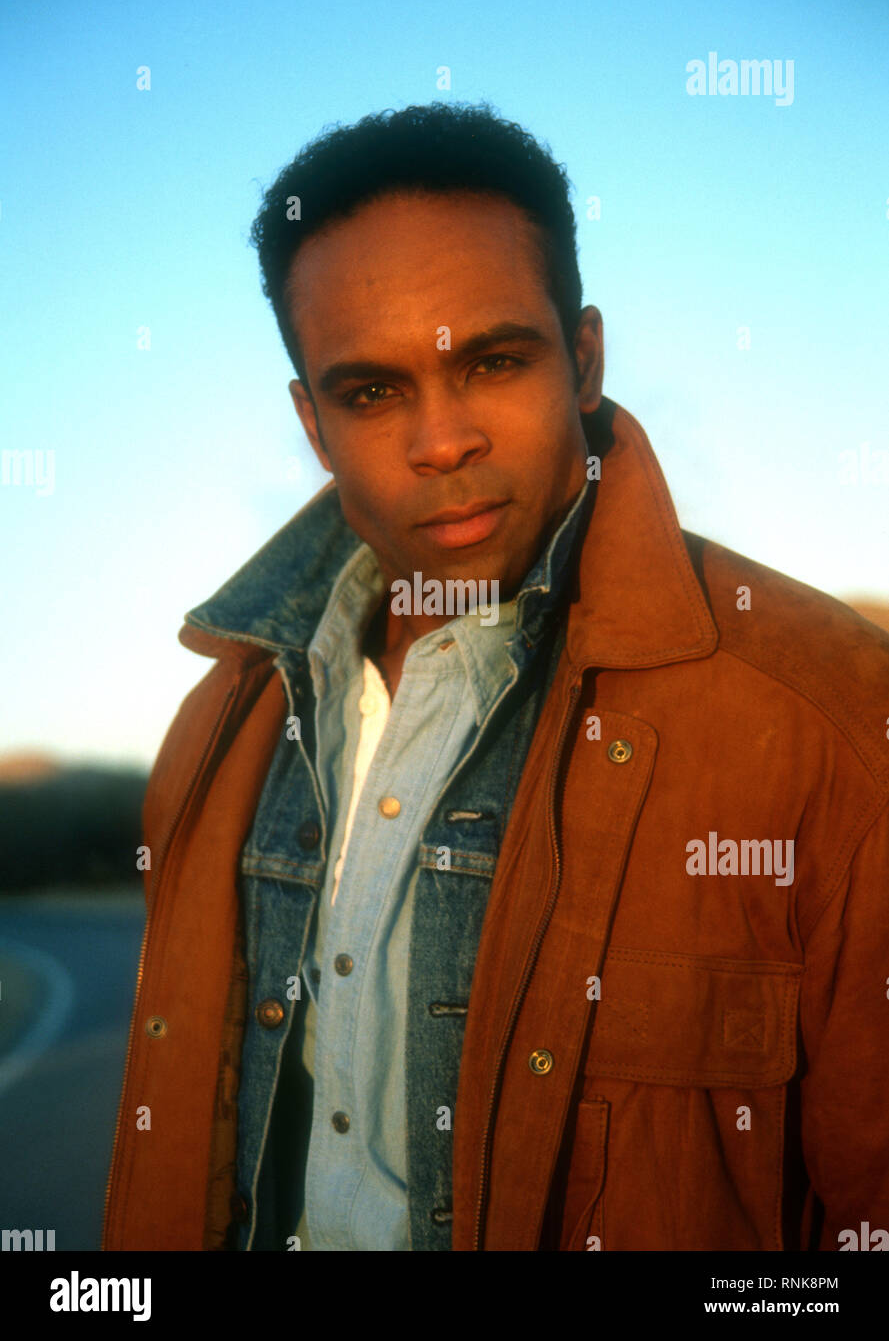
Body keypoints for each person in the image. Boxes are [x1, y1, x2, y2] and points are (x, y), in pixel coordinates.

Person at [103, 102, 889, 1252]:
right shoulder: (222, 719)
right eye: (371, 392)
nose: (442, 440)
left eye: (493, 360)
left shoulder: (826, 713)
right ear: (312, 424)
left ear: (583, 359)